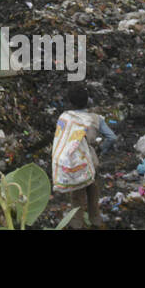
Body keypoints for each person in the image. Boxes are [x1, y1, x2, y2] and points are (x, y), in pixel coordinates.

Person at [51, 85, 117, 228]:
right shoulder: (95, 118)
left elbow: (61, 140)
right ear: (87, 101)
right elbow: (112, 137)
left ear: (70, 102)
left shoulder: (65, 117)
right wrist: (101, 150)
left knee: (77, 197)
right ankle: (96, 220)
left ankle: (77, 223)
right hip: (91, 160)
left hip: (73, 162)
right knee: (93, 191)